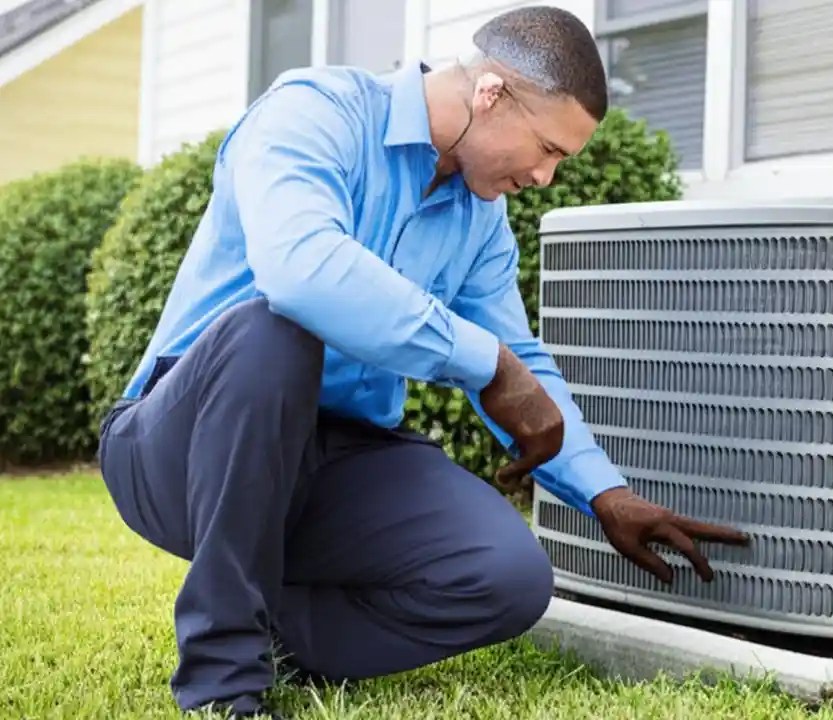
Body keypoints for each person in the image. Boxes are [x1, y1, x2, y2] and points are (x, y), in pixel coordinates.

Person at [95, 6, 749, 718]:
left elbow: (520, 356)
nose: (545, 176)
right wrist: (485, 363)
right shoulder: (316, 114)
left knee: (508, 576)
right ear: (491, 93)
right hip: (180, 447)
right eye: (548, 149)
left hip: (335, 454)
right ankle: (224, 684)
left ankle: (277, 630)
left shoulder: (479, 218)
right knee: (273, 335)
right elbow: (300, 271)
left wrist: (603, 494)